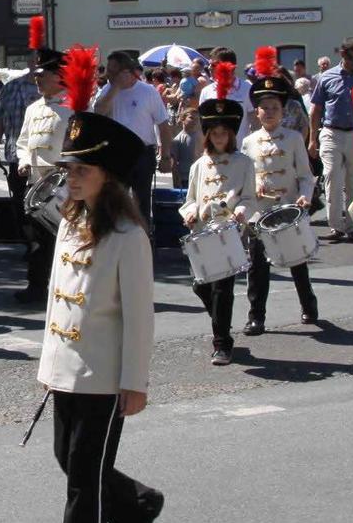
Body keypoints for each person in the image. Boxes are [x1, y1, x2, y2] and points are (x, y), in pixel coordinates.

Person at [31, 49, 162, 523]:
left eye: (81, 169)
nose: (71, 177)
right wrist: (47, 367)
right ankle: (136, 505)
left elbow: (139, 317)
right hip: (66, 370)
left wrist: (135, 383)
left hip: (106, 375)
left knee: (83, 477)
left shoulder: (128, 237)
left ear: (108, 177)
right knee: (71, 460)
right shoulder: (73, 223)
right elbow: (59, 307)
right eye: (69, 168)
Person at [240, 48, 319, 333]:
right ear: (257, 111)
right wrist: (253, 185)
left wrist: (304, 198)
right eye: (265, 108)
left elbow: (306, 176)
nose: (269, 112)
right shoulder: (248, 142)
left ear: (283, 110)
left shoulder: (295, 138)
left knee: (296, 260)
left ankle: (308, 304)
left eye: (275, 107)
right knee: (257, 265)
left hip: (288, 207)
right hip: (260, 211)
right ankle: (256, 315)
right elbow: (244, 175)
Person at [180, 62, 250, 364]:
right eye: (215, 132)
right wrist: (191, 213)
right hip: (201, 233)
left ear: (231, 134)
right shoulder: (199, 165)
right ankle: (220, 324)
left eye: (224, 132)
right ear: (208, 135)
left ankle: (222, 342)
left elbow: (248, 197)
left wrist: (242, 213)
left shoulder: (243, 163)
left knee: (224, 289)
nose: (220, 136)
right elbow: (190, 199)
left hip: (229, 232)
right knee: (201, 286)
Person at [14, 25, 72, 306]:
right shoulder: (33, 108)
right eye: (37, 75)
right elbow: (23, 141)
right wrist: (24, 160)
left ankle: (65, 287)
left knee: (65, 240)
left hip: (64, 184)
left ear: (59, 76)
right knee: (36, 240)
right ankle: (36, 286)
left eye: (43, 75)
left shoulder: (75, 106)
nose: (38, 80)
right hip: (35, 184)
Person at [307, 37, 353, 244]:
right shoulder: (327, 77)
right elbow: (316, 109)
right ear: (342, 54)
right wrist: (313, 139)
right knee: (331, 176)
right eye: (351, 56)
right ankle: (335, 225)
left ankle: (352, 226)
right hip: (332, 132)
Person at [91, 50, 174, 233]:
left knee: (141, 201)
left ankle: (143, 239)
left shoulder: (147, 92)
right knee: (113, 199)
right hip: (115, 153)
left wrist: (166, 155)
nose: (108, 75)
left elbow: (163, 125)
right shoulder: (107, 90)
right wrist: (115, 88)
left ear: (126, 71)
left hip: (141, 153)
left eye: (113, 72)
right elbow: (99, 112)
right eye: (108, 71)